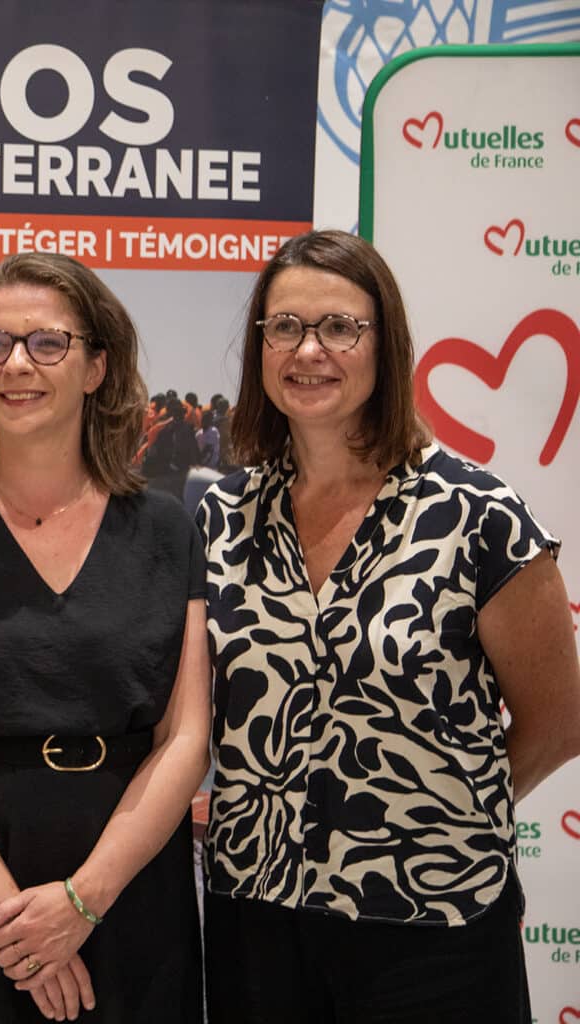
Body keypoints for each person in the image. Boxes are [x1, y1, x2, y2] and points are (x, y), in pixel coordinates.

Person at [198, 229, 580, 1023]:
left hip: (435, 926)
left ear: (385, 344)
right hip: (259, 914)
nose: (310, 350)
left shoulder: (478, 515)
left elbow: (559, 718)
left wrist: (454, 815)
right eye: (285, 327)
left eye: (340, 326)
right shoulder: (220, 518)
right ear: (260, 347)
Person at [0, 252, 210, 1022]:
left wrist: (82, 903)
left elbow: (186, 736)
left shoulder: (166, 532)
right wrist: (14, 922)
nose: (16, 364)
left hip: (125, 881)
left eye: (46, 343)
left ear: (95, 366)